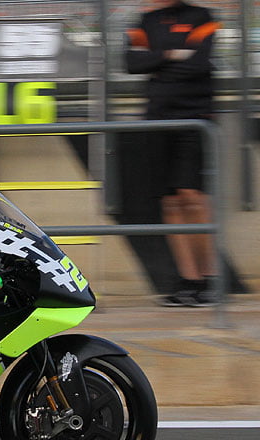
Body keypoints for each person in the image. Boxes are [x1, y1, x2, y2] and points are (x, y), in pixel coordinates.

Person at [125, 0, 219, 307]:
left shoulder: (201, 16)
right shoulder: (145, 20)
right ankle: (187, 281)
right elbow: (131, 63)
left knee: (191, 195)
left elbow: (200, 64)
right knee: (170, 200)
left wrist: (156, 60)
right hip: (158, 118)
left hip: (196, 119)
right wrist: (171, 54)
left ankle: (209, 280)